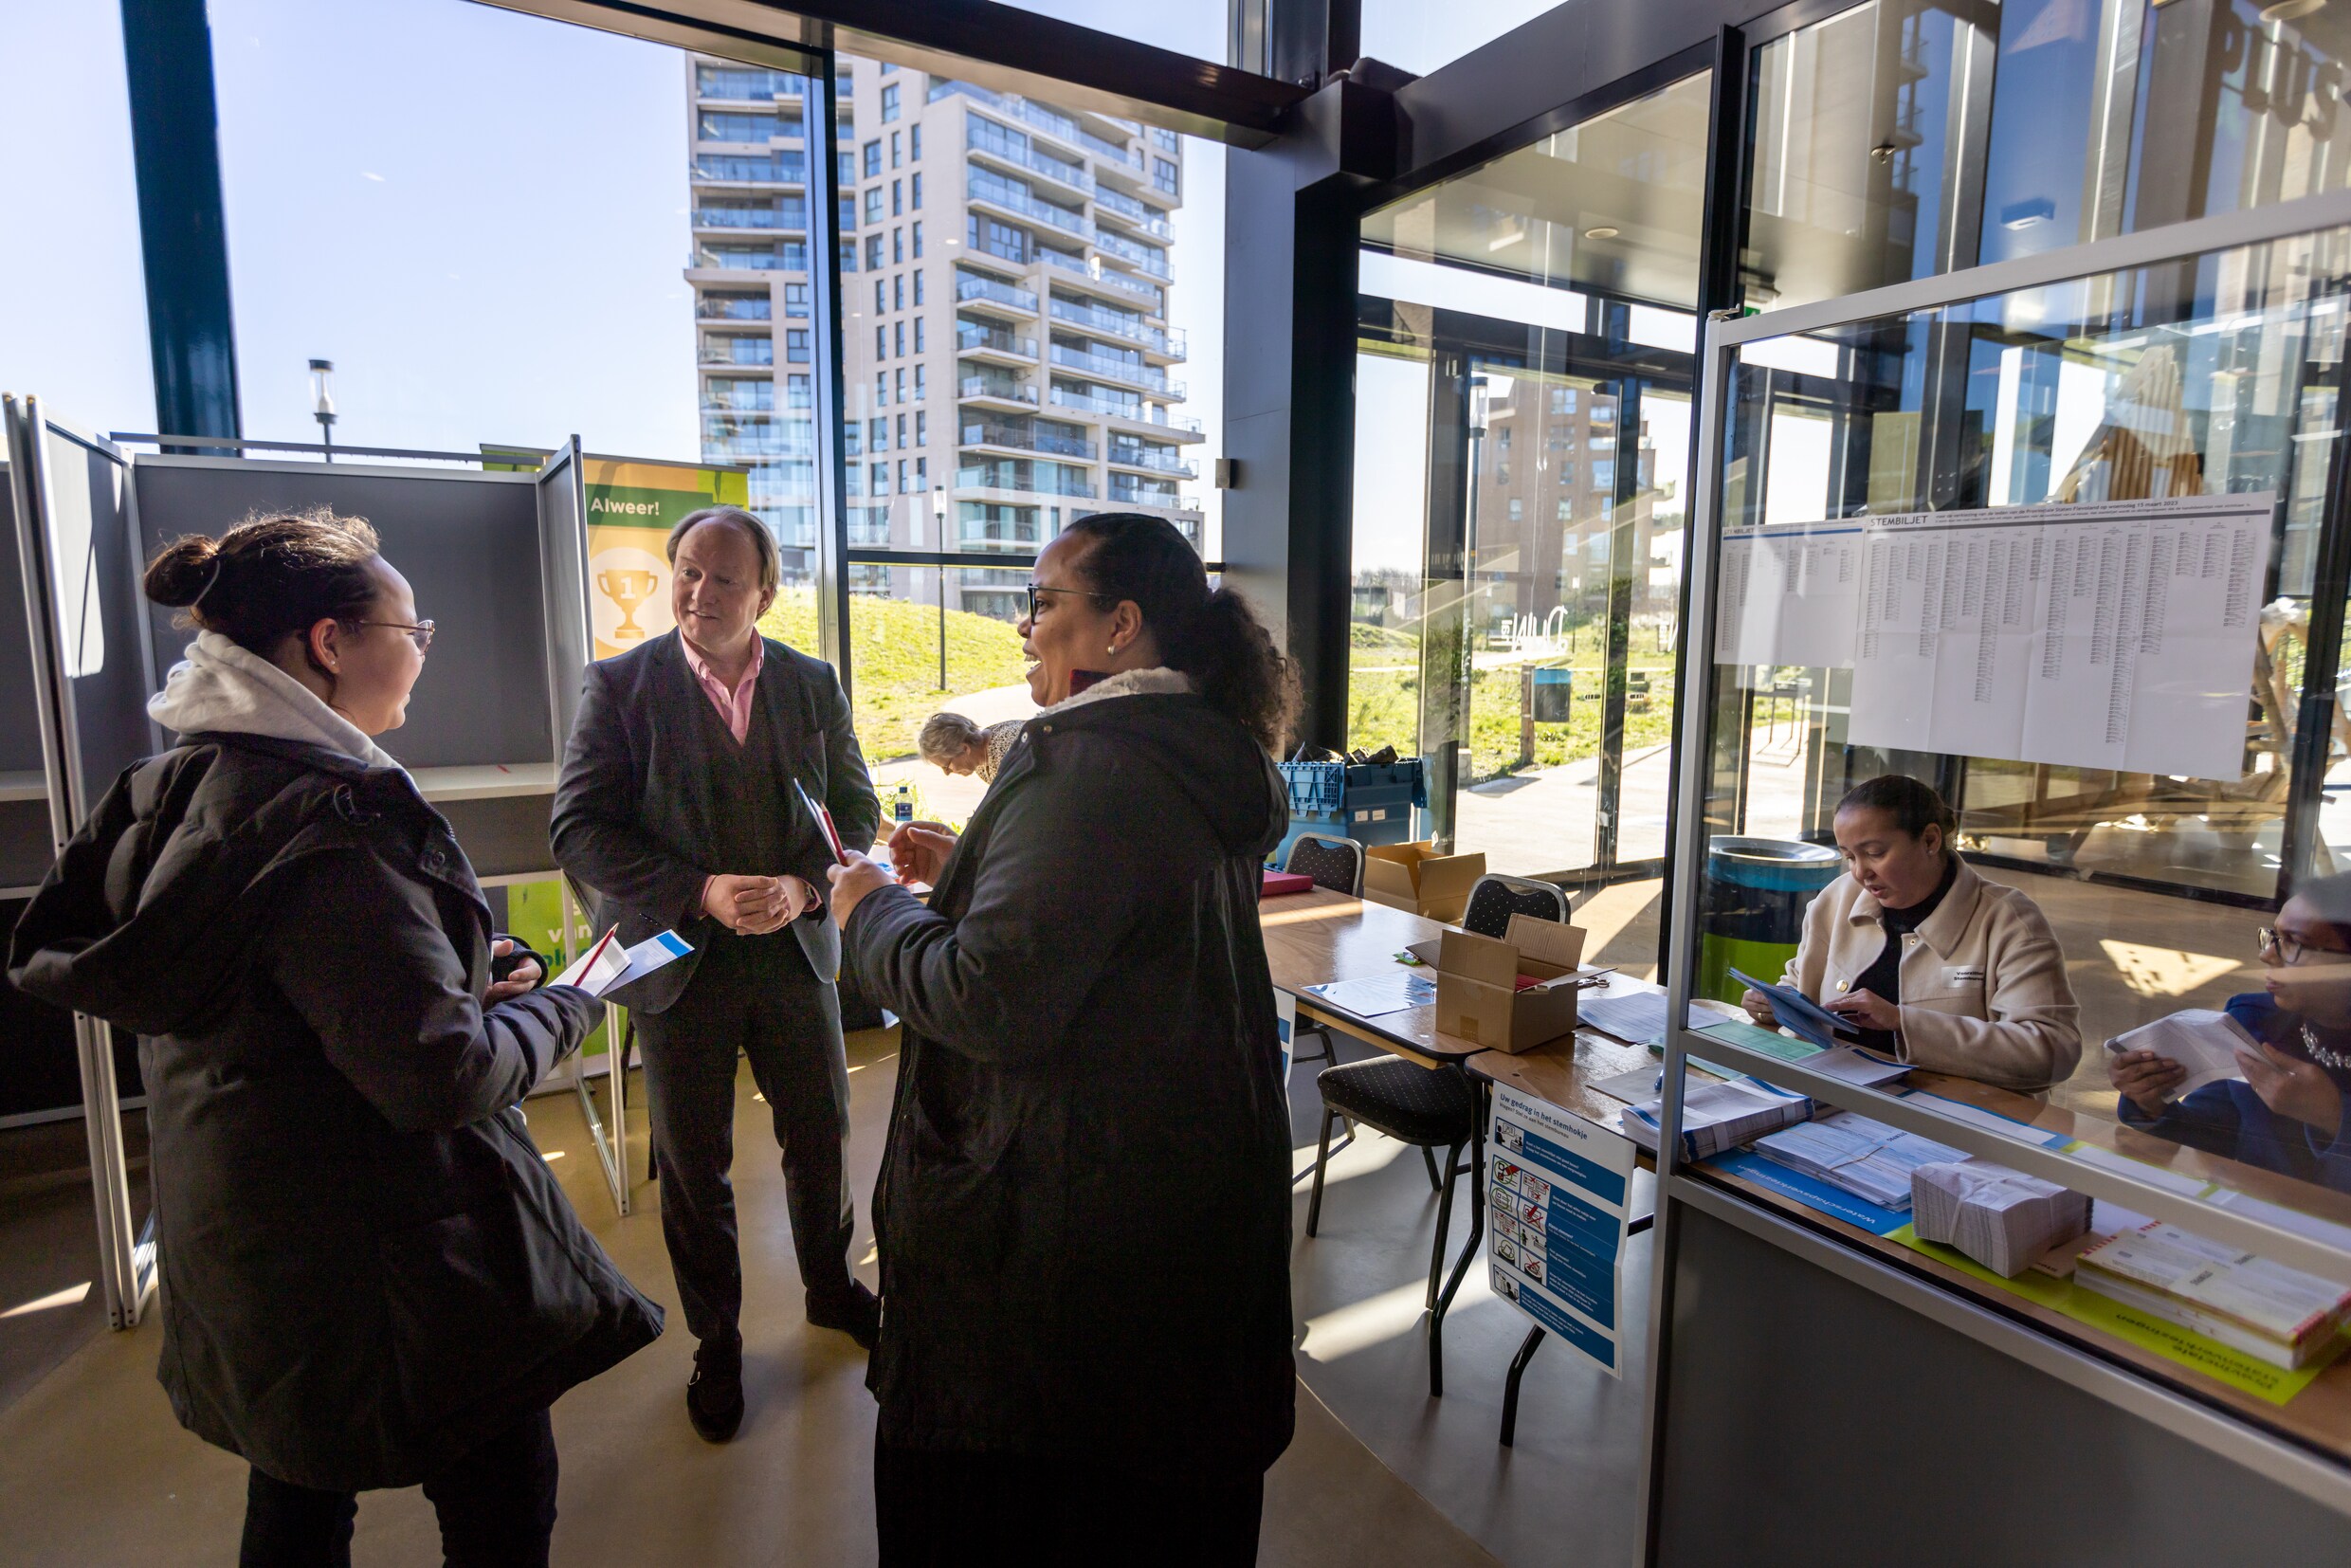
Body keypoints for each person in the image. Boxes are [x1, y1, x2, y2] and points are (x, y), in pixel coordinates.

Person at [7, 512, 661, 1567]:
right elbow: (443, 1077)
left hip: (259, 1249)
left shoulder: (176, 790)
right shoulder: (334, 827)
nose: (423, 650)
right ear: (329, 643)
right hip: (394, 1269)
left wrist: (451, 974)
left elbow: (286, 999)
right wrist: (575, 1001)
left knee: (300, 1493)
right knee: (500, 1506)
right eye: (413, 628)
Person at [825, 513, 1298, 1565]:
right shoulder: (1196, 748)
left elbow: (986, 999)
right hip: (1177, 1211)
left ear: (1119, 626)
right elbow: (1101, 927)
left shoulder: (1087, 765)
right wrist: (971, 871)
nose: (1024, 626)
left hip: (1061, 1252)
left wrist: (869, 908)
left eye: (1041, 602)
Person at [551, 503, 881, 1444]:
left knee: (821, 1135)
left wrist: (801, 887)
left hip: (792, 954)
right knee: (694, 1164)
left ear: (764, 595)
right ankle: (718, 1343)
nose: (698, 592)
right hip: (676, 963)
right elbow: (578, 828)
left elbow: (854, 806)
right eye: (687, 572)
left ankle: (830, 1288)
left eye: (723, 578)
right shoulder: (620, 685)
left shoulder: (812, 683)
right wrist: (698, 890)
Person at [1742, 775, 2081, 1093]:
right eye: (1849, 857)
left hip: (1955, 1113)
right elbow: (1801, 984)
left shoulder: (2009, 920)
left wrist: (1901, 1021)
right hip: (1836, 1093)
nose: (1861, 873)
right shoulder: (1838, 898)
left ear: (1930, 840)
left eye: (1875, 853)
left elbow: (2052, 1052)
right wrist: (1773, 1003)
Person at [2109, 874, 2351, 1190]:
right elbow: (2212, 1133)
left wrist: (2334, 1116)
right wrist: (2150, 1103)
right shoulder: (2254, 1022)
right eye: (2273, 936)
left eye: (2294, 942)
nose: (2267, 954)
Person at [916, 709, 1022, 783]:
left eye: (946, 766)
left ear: (964, 749)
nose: (946, 773)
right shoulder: (981, 765)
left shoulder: (1008, 748)